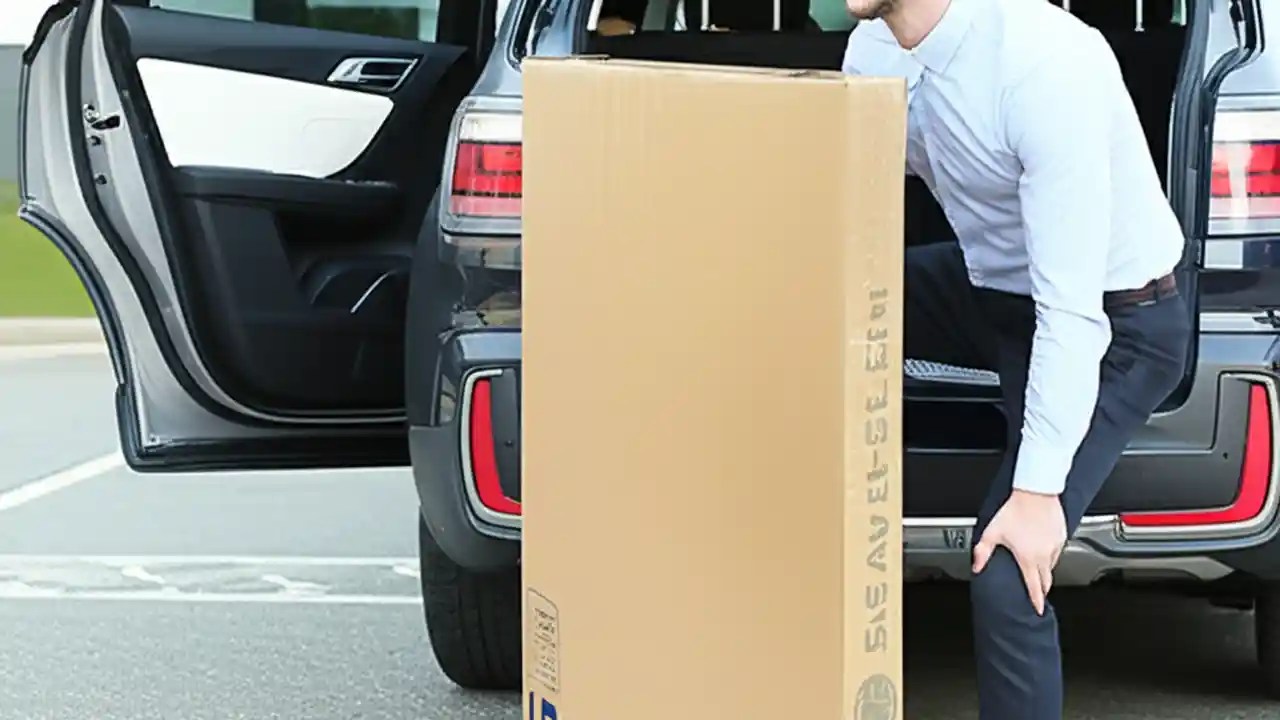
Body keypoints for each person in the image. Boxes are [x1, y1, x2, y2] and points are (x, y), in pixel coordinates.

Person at [841, 0, 1191, 718]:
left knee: (1006, 571)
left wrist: (1035, 498)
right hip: (995, 290)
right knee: (818, 291)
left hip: (1116, 323)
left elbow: (1072, 312)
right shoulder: (870, 52)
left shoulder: (1043, 64)